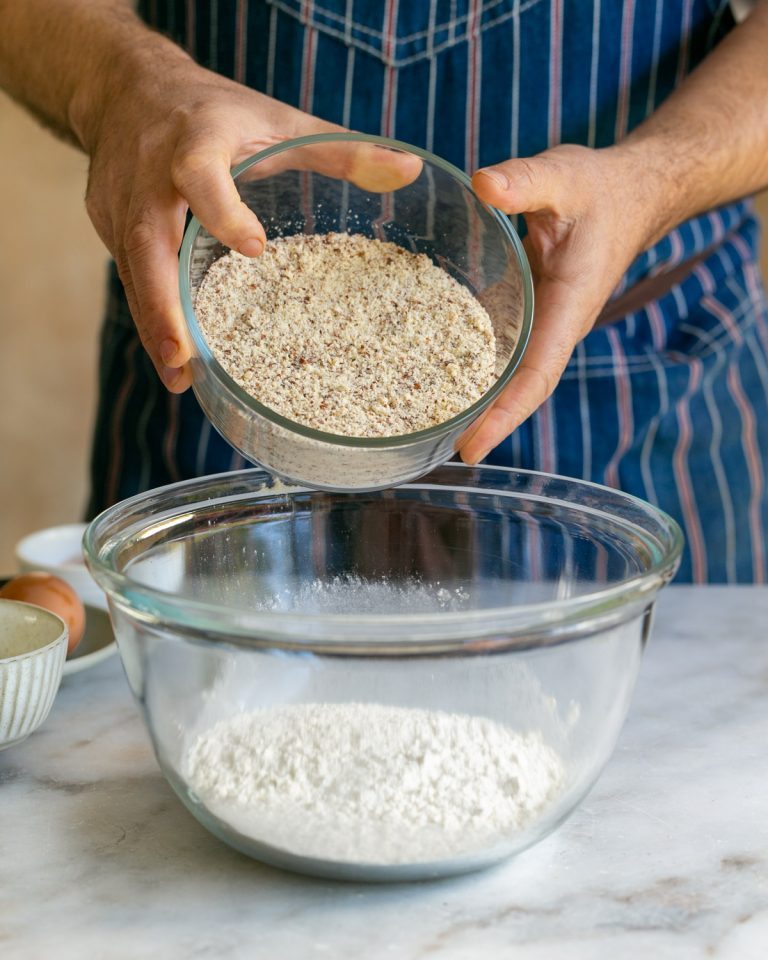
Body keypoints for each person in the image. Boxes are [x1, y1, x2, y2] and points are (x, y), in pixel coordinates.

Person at [1, 0, 767, 582]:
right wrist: (120, 82)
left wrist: (659, 175)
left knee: (656, 766)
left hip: (646, 383)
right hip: (220, 379)